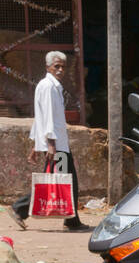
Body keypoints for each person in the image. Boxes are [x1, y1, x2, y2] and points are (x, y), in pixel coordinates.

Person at [8, 51, 87, 232]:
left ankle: (71, 220)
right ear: (48, 67)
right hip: (57, 145)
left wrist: (36, 145)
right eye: (56, 66)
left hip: (56, 143)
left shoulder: (49, 86)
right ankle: (19, 209)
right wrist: (50, 144)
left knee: (63, 180)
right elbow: (48, 117)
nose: (60, 70)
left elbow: (40, 118)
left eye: (62, 67)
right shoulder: (49, 87)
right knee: (59, 180)